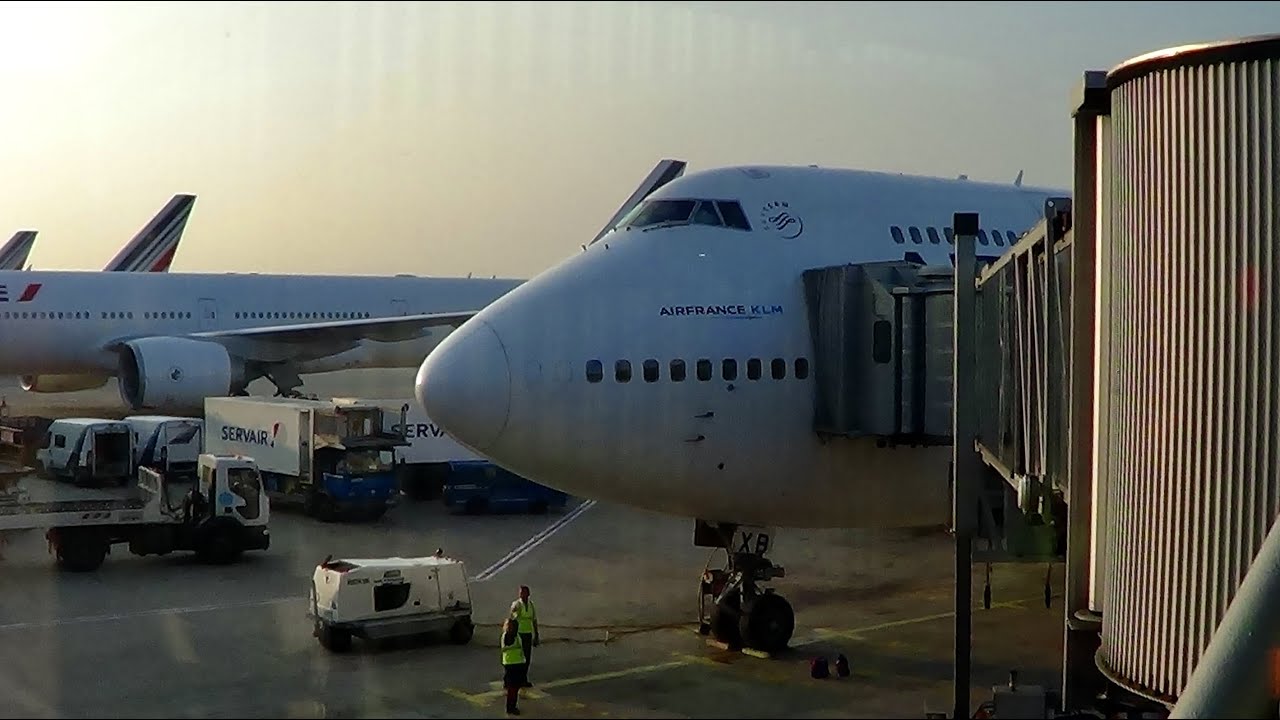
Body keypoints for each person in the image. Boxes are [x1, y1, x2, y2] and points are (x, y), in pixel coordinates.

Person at [508, 585, 539, 686]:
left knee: (527, 658)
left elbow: (534, 620)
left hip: (528, 634)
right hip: (519, 634)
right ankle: (517, 679)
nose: (521, 594)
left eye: (523, 592)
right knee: (519, 658)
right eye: (520, 592)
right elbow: (512, 618)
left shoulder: (531, 605)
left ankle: (523, 679)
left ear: (528, 594)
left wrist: (536, 634)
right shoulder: (517, 604)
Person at [500, 618, 526, 715]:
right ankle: (511, 707)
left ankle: (511, 706)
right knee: (513, 688)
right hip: (513, 663)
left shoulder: (510, 636)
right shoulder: (509, 636)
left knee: (514, 687)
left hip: (513, 663)